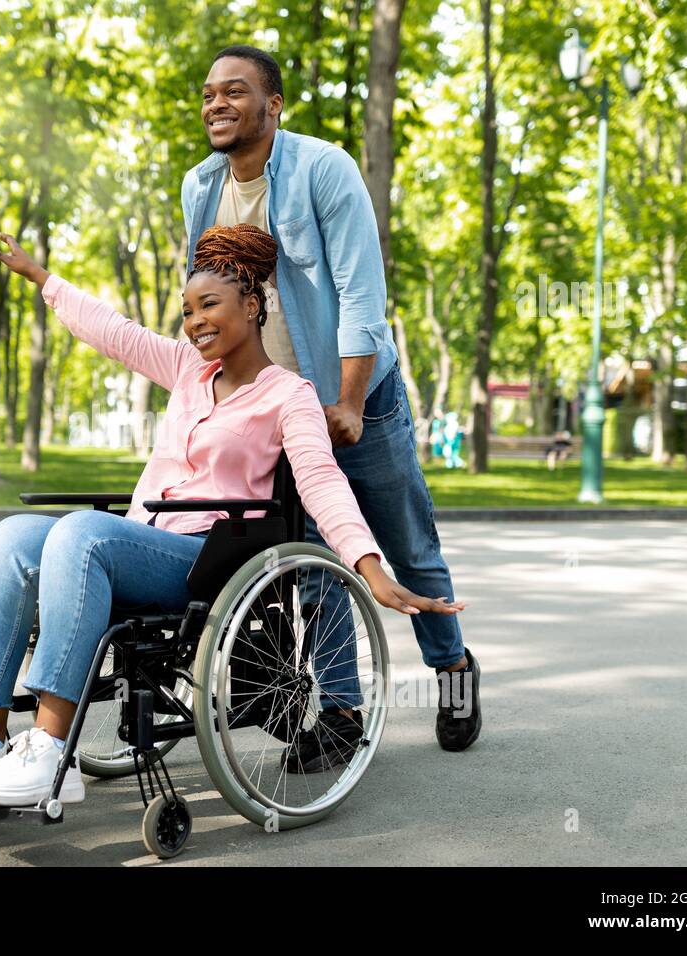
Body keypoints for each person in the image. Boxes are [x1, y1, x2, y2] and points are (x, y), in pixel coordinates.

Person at [0, 224, 465, 808]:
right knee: (11, 538)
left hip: (207, 559)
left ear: (253, 304)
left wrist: (370, 568)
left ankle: (48, 749)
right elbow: (115, 333)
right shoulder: (188, 372)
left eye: (208, 305)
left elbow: (321, 482)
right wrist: (42, 278)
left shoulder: (287, 395)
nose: (194, 322)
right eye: (187, 310)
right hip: (144, 539)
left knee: (82, 534)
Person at [183, 45, 481, 761]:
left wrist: (347, 401)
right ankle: (343, 713)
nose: (216, 104)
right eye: (208, 95)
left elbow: (360, 297)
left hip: (360, 399)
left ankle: (453, 670)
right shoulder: (199, 186)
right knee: (311, 563)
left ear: (273, 106)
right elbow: (208, 303)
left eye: (234, 92)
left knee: (405, 548)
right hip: (276, 409)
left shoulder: (323, 170)